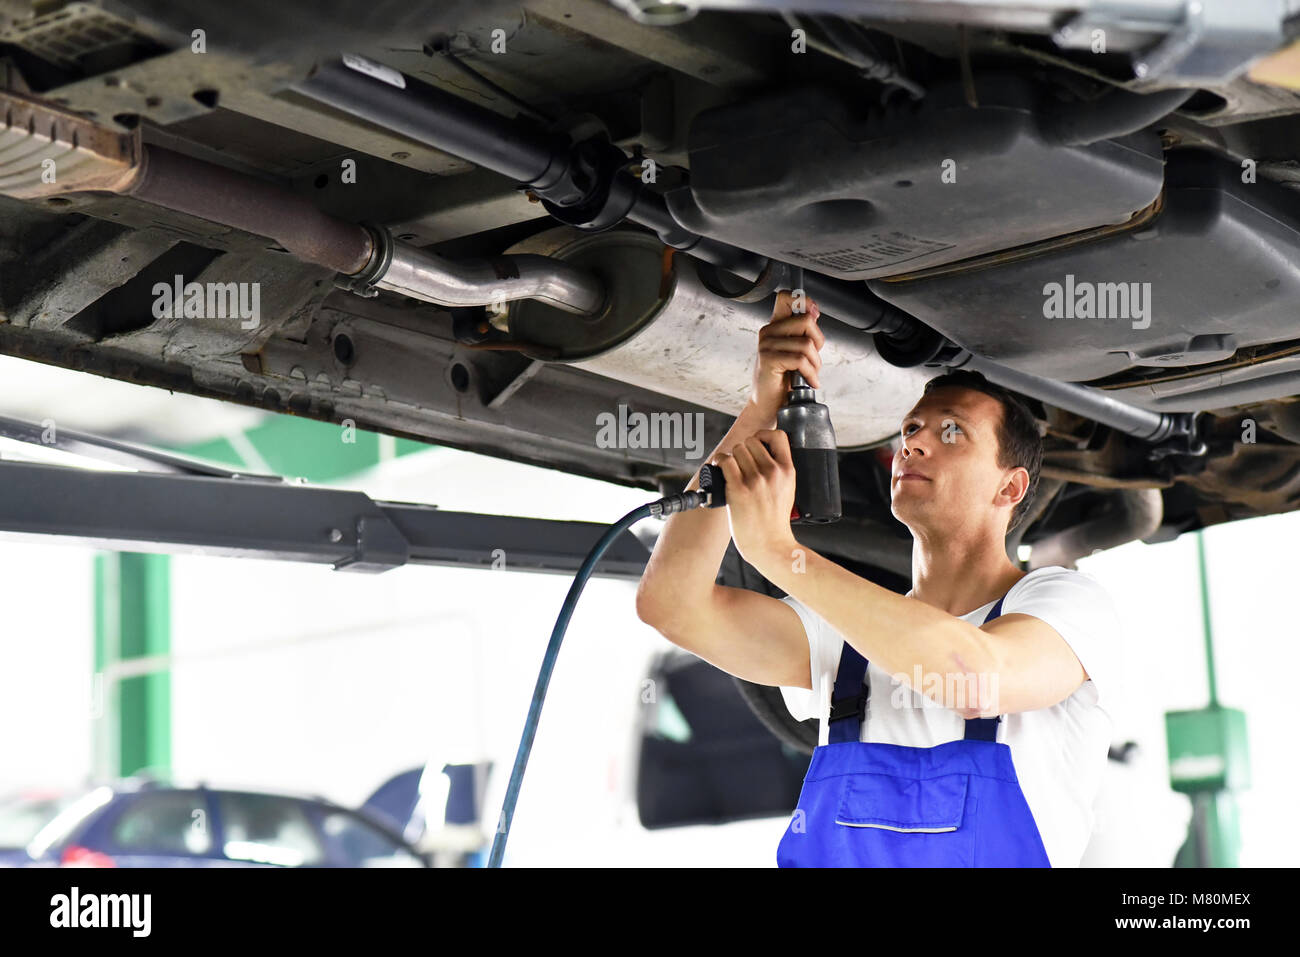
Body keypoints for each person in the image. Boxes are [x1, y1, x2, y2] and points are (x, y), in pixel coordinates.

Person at [635, 289, 1122, 867]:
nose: (912, 441)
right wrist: (759, 408)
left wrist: (775, 550)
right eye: (911, 427)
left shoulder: (1066, 604)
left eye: (950, 432)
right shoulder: (844, 641)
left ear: (1010, 488)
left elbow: (975, 679)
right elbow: (672, 606)